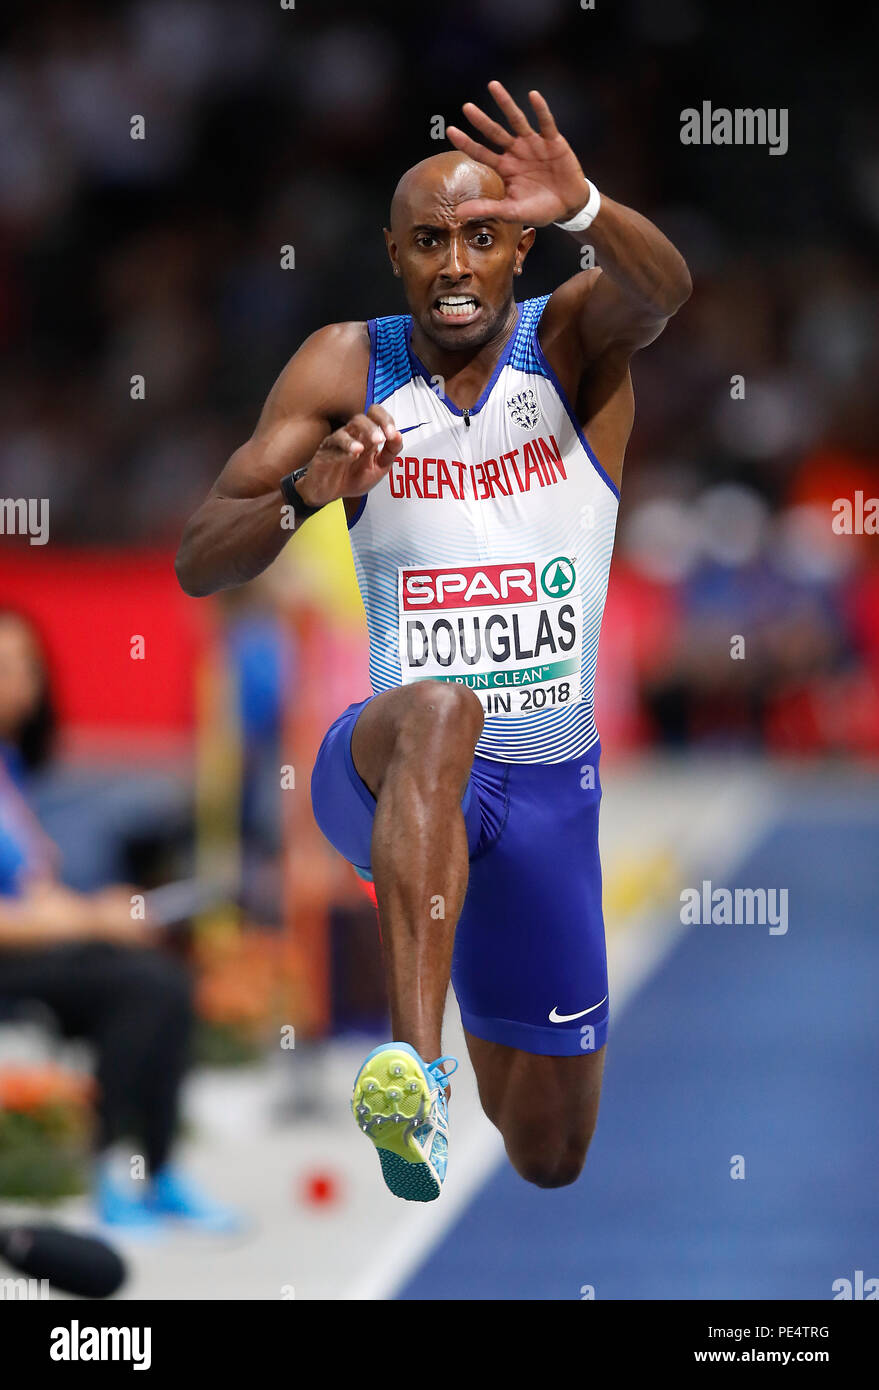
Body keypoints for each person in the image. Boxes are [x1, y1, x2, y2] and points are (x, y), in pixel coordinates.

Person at [176, 82, 691, 1201]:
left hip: (548, 788)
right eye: (428, 243)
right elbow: (200, 555)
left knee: (551, 1152)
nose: (453, 263)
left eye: (479, 238)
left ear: (516, 248)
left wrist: (588, 205)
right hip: (388, 765)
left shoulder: (571, 344)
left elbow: (666, 289)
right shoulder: (342, 367)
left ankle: (469, 1045)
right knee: (444, 707)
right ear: (396, 257)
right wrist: (309, 491)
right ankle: (413, 1067)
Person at [0, 608, 240, 1232]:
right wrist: (92, 923)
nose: (21, 680)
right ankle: (107, 1171)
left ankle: (158, 1172)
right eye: (6, 666)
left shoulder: (11, 769)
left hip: (33, 953)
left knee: (160, 972)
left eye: (28, 665)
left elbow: (35, 894)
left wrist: (97, 910)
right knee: (141, 984)